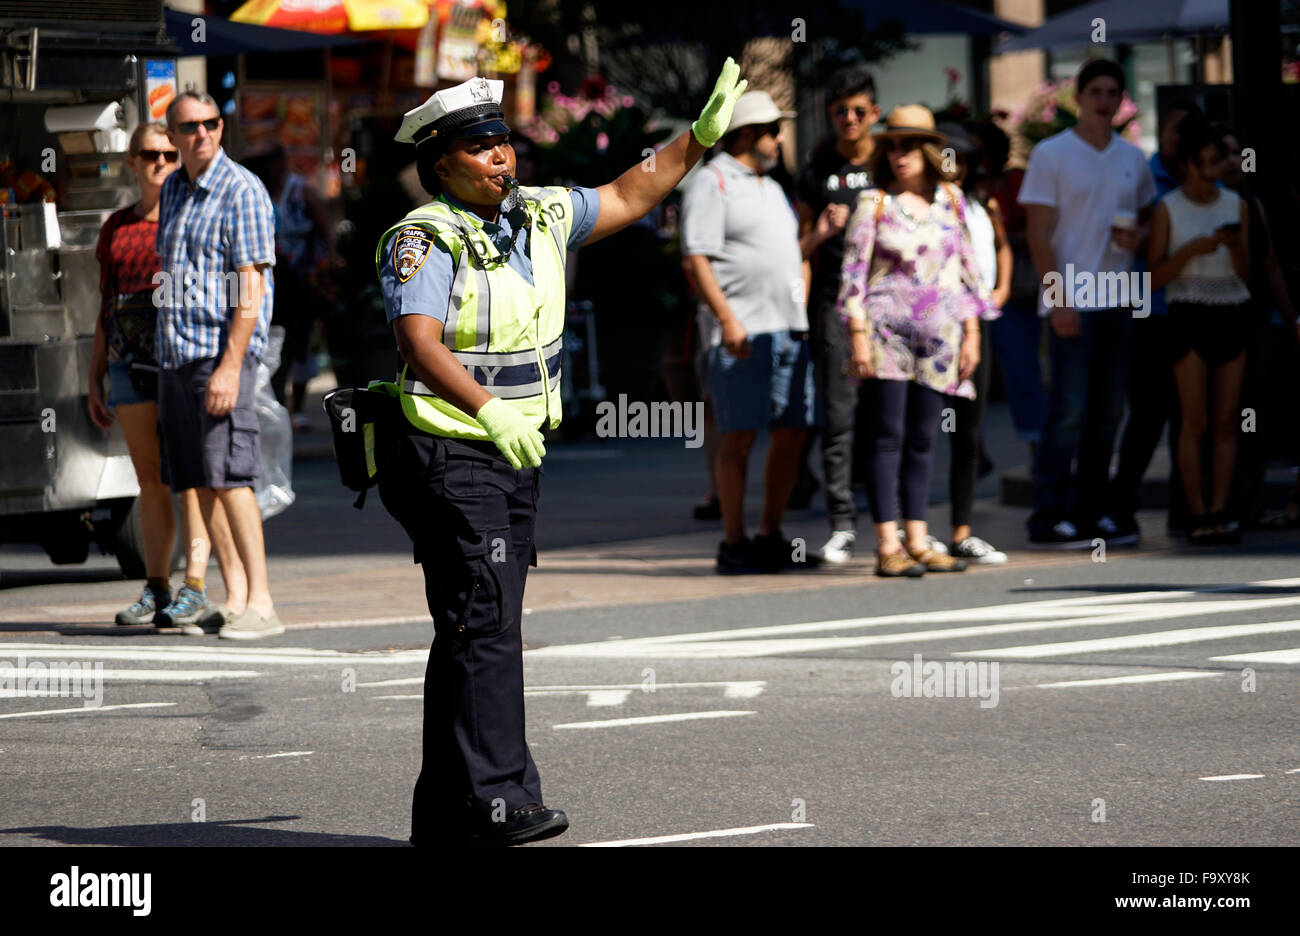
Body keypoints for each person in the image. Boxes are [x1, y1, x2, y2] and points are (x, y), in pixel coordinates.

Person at [372, 65, 750, 846]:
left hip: (511, 450)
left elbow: (628, 194)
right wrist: (489, 409)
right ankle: (500, 801)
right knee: (487, 621)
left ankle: (445, 813)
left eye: (503, 140)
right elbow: (418, 342)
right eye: (479, 147)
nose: (500, 157)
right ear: (442, 165)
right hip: (448, 446)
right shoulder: (424, 237)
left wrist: (698, 140)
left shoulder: (540, 216)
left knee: (473, 624)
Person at [88, 123, 234, 631]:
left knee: (190, 477)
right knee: (149, 478)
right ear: (131, 161)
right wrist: (95, 373)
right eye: (149, 154)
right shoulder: (117, 227)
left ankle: (195, 586)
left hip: (182, 359)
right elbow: (105, 304)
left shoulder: (189, 219)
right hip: (128, 361)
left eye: (169, 154)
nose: (160, 162)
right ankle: (156, 587)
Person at [838, 106, 993, 577]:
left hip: (940, 337)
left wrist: (972, 333)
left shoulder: (952, 200)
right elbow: (852, 277)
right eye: (891, 144)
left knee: (925, 437)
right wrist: (858, 337)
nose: (899, 153)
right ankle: (888, 544)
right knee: (888, 436)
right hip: (886, 334)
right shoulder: (874, 204)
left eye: (908, 144)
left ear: (928, 150)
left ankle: (919, 537)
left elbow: (968, 273)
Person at [155, 91, 282, 640]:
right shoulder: (176, 189)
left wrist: (232, 366)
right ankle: (233, 597)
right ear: (173, 134)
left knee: (232, 476)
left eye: (209, 124)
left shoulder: (241, 189)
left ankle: (263, 602)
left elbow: (249, 288)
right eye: (189, 126)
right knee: (198, 480)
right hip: (177, 355)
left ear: (221, 127)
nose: (201, 134)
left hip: (219, 352)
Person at [1019, 59, 1156, 548]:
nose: (1103, 101)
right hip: (1072, 298)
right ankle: (1048, 514)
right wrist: (1057, 300)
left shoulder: (1132, 158)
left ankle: (1091, 511)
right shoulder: (1052, 154)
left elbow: (1144, 217)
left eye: (1111, 92)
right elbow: (1037, 231)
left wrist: (1137, 235)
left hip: (1119, 299)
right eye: (1094, 91)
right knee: (1069, 410)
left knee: (1108, 413)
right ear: (1078, 97)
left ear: (1121, 100)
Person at [682, 90, 819, 575]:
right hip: (741, 334)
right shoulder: (712, 181)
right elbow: (696, 257)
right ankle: (734, 541)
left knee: (792, 434)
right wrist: (727, 319)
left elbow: (786, 253)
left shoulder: (771, 186)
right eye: (773, 130)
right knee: (738, 439)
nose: (781, 139)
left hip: (787, 330)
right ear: (746, 135)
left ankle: (769, 535)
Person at [1148, 117, 1251, 543]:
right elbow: (1153, 277)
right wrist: (1191, 249)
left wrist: (1233, 246)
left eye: (1217, 162)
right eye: (1205, 163)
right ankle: (1196, 512)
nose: (1213, 172)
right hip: (1188, 311)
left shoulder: (1236, 205)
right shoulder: (1168, 208)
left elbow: (1249, 274)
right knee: (1195, 420)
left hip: (1232, 309)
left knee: (1227, 421)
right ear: (1187, 165)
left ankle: (1221, 509)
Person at [794, 66, 880, 563]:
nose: (849, 118)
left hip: (890, 304)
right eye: (840, 111)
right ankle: (842, 522)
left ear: (874, 114)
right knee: (839, 414)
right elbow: (799, 248)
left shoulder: (892, 164)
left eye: (859, 110)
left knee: (891, 414)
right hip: (833, 304)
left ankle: (900, 520)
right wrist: (823, 231)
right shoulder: (816, 170)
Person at [1107, 101, 1202, 539]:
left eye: (1190, 131)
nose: (1181, 138)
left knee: (1192, 416)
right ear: (1161, 132)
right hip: (1150, 309)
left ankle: (1189, 511)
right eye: (1176, 129)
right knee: (1146, 415)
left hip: (1198, 309)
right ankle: (1121, 506)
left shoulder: (1208, 177)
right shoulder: (1144, 174)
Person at [933, 121, 1010, 565]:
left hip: (975, 327)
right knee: (921, 431)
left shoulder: (981, 205)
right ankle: (914, 532)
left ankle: (962, 530)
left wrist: (997, 292)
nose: (952, 166)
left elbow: (1001, 247)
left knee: (968, 433)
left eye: (958, 158)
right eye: (945, 157)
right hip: (933, 328)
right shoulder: (927, 205)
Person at [1215, 124, 1299, 529]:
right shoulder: (1195, 205)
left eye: (1236, 153)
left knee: (1251, 416)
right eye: (1222, 154)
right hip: (1209, 323)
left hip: (1254, 324)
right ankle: (1213, 507)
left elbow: (1269, 266)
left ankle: (1244, 500)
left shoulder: (1251, 205)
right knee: (1218, 418)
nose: (1232, 162)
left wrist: (1290, 316)